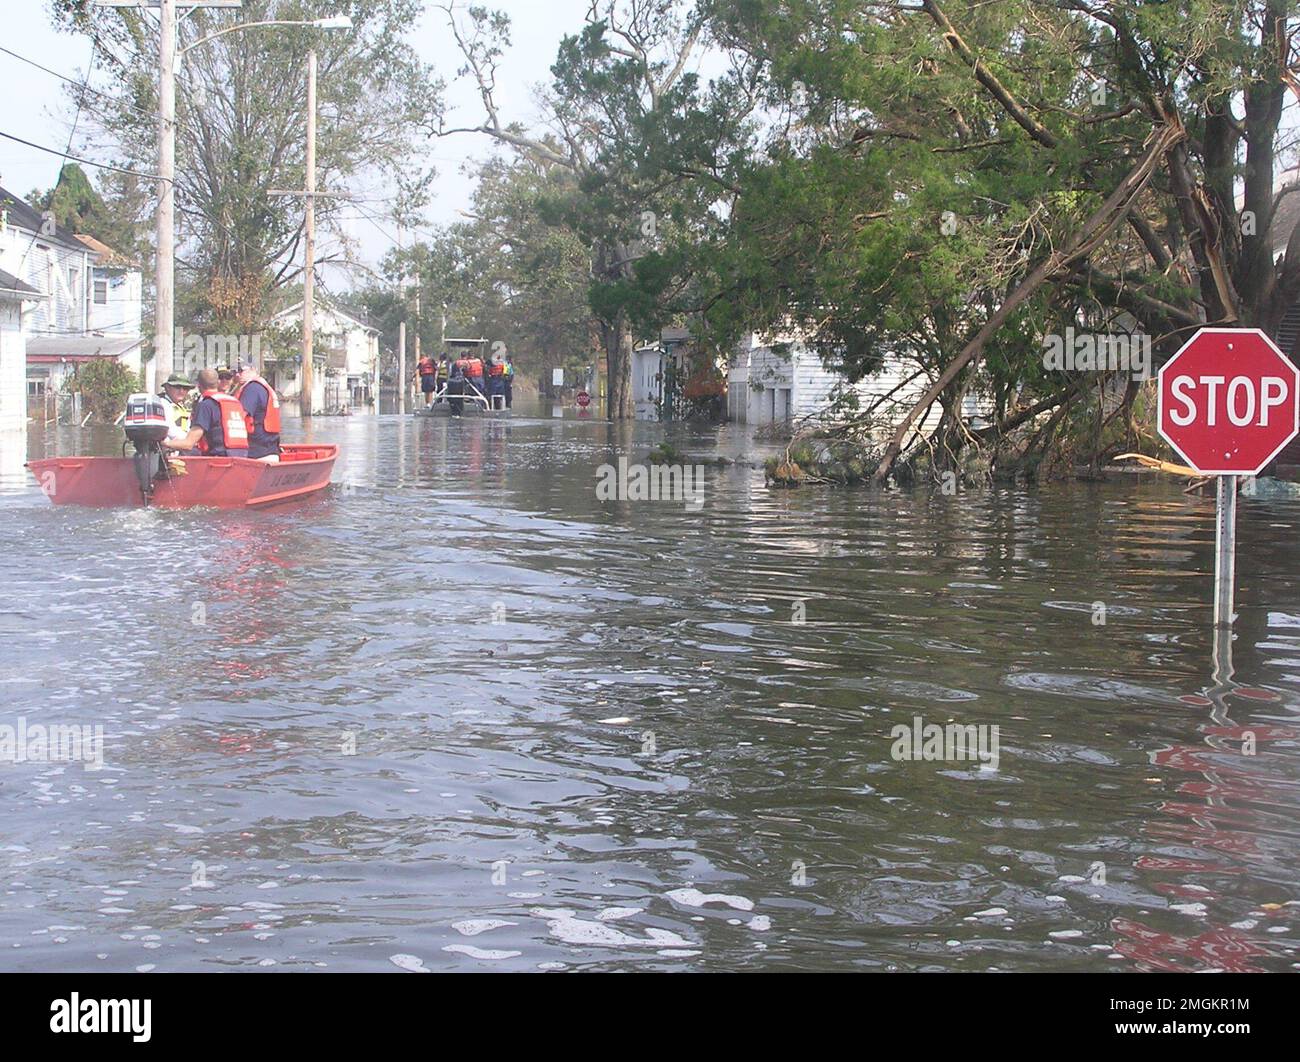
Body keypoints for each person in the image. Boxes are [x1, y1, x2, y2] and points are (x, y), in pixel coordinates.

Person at [162, 368, 249, 458]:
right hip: (242, 457)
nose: (182, 391)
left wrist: (165, 443)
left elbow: (188, 444)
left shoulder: (206, 405)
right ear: (218, 383)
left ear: (199, 386)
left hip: (220, 461)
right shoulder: (235, 402)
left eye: (185, 388)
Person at [233, 362, 282, 461]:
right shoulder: (262, 386)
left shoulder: (252, 389)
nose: (237, 374)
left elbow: (238, 417)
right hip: (270, 449)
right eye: (234, 371)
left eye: (240, 370)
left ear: (253, 369)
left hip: (257, 453)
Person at [158, 373, 194, 439]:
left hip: (181, 445)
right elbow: (170, 431)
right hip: (169, 447)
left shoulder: (180, 406)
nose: (181, 391)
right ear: (167, 388)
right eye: (177, 387)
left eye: (185, 388)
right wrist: (189, 441)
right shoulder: (163, 404)